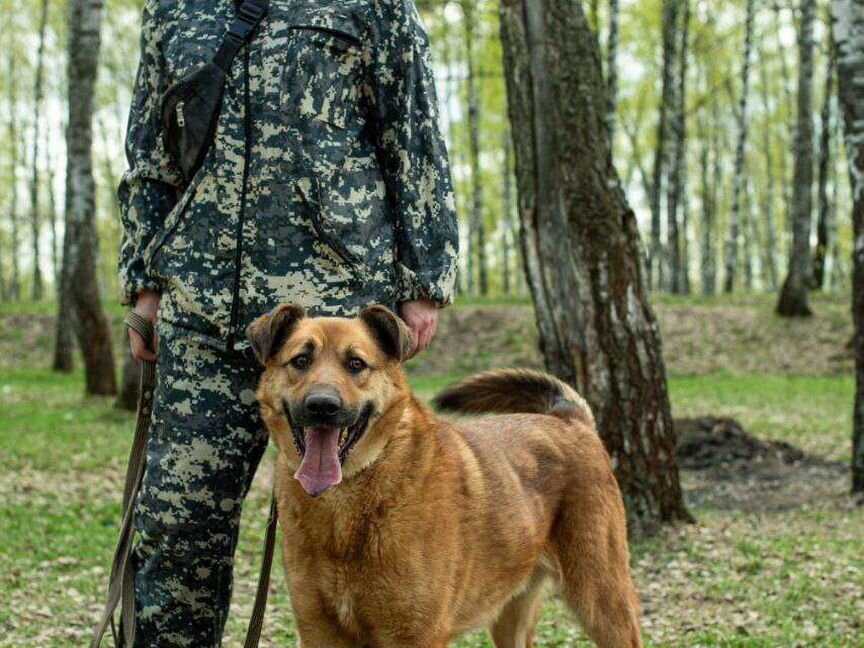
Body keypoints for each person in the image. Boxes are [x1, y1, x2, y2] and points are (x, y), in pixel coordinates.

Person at [116, 0, 458, 645]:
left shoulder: (372, 6)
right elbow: (151, 155)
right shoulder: (174, 11)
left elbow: (413, 138)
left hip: (335, 311)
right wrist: (143, 281)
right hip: (201, 309)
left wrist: (425, 281)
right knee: (176, 525)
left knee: (363, 529)